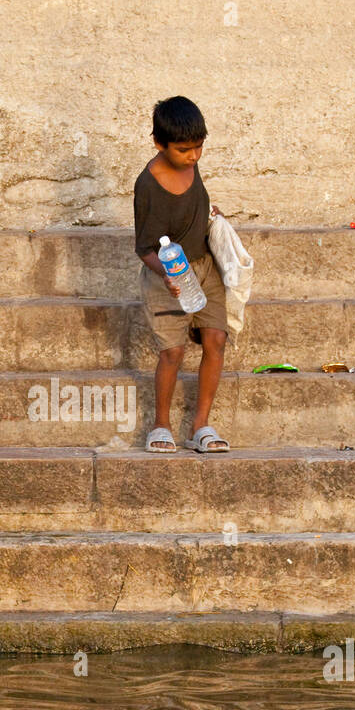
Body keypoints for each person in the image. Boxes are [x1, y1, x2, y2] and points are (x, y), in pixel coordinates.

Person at [132, 96, 229, 453]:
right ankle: (161, 425)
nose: (193, 157)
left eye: (199, 148)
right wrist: (168, 275)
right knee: (172, 352)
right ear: (159, 144)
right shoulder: (148, 185)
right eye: (184, 150)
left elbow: (193, 203)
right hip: (167, 277)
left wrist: (209, 212)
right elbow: (143, 249)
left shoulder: (191, 162)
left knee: (215, 339)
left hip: (204, 267)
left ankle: (201, 426)